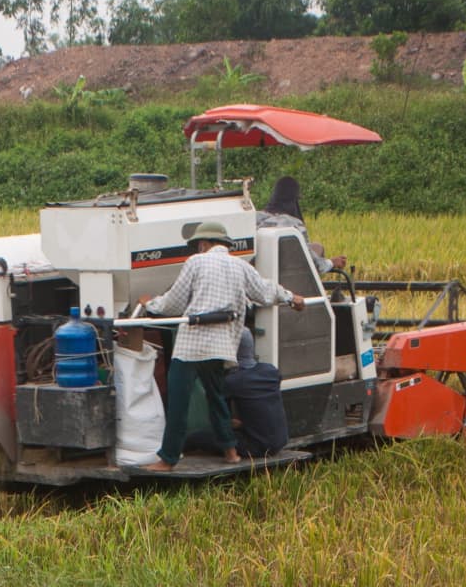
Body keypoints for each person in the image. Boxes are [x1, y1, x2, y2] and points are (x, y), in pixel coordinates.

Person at [130, 222, 306, 472]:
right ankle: (231, 452)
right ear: (224, 244)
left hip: (191, 345)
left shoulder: (195, 262)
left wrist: (150, 304)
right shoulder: (240, 266)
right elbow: (265, 291)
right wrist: (291, 297)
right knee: (217, 400)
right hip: (222, 343)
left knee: (179, 401)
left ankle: (167, 459)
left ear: (203, 244)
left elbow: (175, 303)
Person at [259, 175, 346, 275]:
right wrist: (332, 262)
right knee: (318, 247)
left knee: (316, 246)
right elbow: (311, 263)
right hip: (287, 278)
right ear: (294, 200)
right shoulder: (293, 224)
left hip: (262, 274)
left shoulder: (256, 218)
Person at [224, 326, 288, 459]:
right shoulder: (271, 371)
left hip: (257, 446)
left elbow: (219, 411)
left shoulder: (234, 381)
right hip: (280, 441)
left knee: (200, 437)